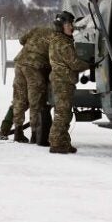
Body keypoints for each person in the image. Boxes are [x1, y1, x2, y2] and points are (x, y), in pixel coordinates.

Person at [48, 11, 90, 154]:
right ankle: (55, 143)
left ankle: (64, 142)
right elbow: (74, 64)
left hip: (63, 81)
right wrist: (89, 64)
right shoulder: (62, 43)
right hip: (62, 81)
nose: (71, 27)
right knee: (62, 113)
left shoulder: (60, 40)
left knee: (65, 113)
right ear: (61, 26)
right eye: (68, 24)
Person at [7, 23, 55, 144]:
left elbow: (22, 40)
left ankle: (18, 131)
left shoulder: (38, 28)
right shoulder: (58, 38)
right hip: (35, 67)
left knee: (19, 98)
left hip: (20, 62)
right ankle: (35, 134)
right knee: (36, 100)